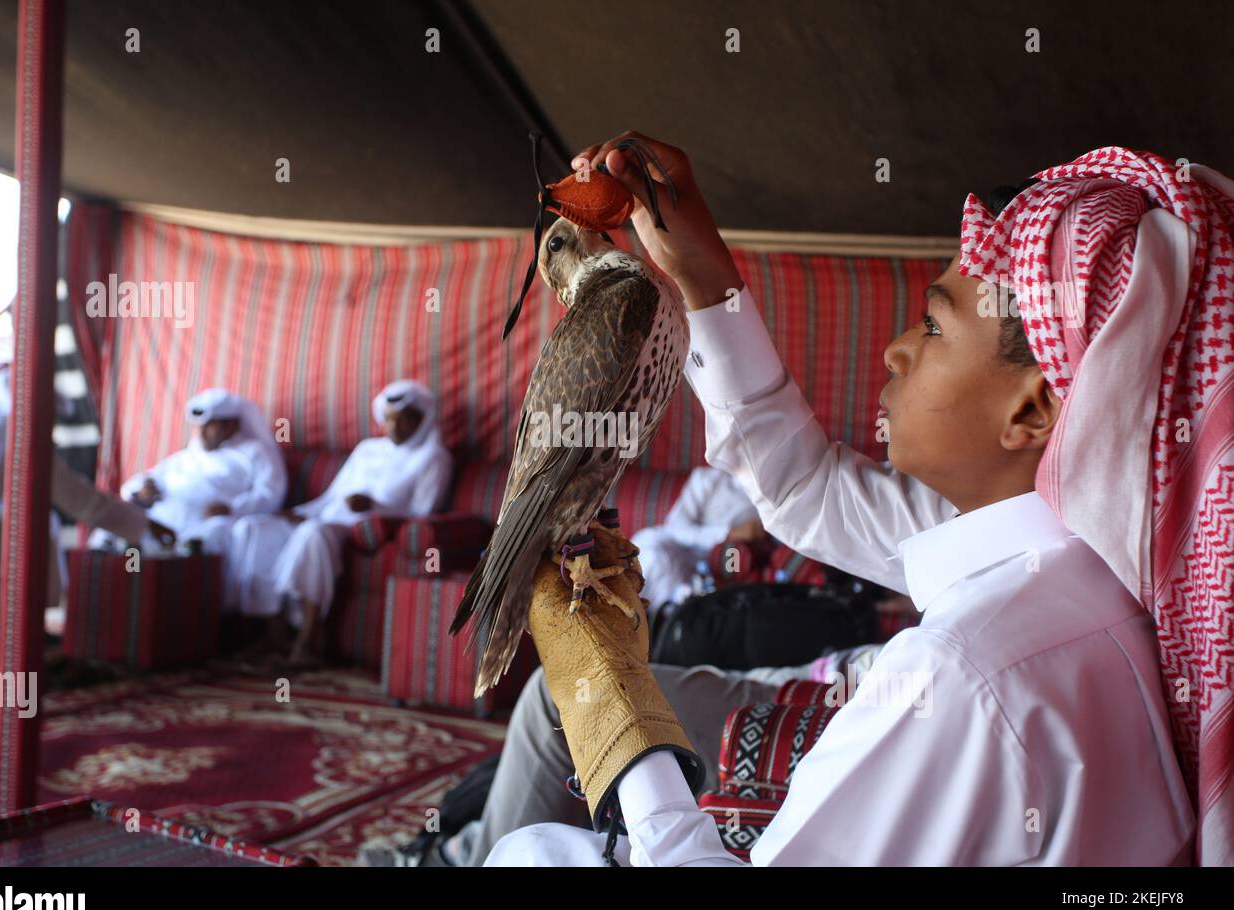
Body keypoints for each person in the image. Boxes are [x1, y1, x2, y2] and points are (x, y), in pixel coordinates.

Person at [482, 134, 1222, 866]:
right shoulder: (1093, 571)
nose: (899, 349)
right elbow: (807, 488)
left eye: (934, 326)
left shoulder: (963, 678)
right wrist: (702, 277)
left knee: (535, 855)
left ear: (1032, 412)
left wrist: (622, 723)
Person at [227, 380, 453, 661]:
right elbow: (332, 496)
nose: (395, 428)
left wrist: (374, 506)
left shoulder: (433, 457)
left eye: (405, 420)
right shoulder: (367, 449)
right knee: (252, 527)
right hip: (326, 516)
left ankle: (308, 640)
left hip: (357, 528)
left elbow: (424, 513)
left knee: (313, 533)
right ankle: (274, 635)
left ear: (423, 418)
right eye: (390, 420)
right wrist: (301, 512)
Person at [0, 367, 168, 604]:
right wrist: (144, 526)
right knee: (37, 533)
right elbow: (84, 503)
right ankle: (37, 625)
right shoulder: (20, 439)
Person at [105, 388, 285, 555]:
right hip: (159, 525)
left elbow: (271, 494)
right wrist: (143, 490)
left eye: (209, 425)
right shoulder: (188, 454)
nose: (201, 432)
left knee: (210, 536)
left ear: (230, 425)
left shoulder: (254, 453)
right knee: (109, 527)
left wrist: (232, 509)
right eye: (198, 426)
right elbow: (144, 481)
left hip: (208, 527)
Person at [629, 465, 764, 609]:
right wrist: (728, 534)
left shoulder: (769, 493)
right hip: (662, 550)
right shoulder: (707, 479)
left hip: (709, 574)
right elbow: (676, 528)